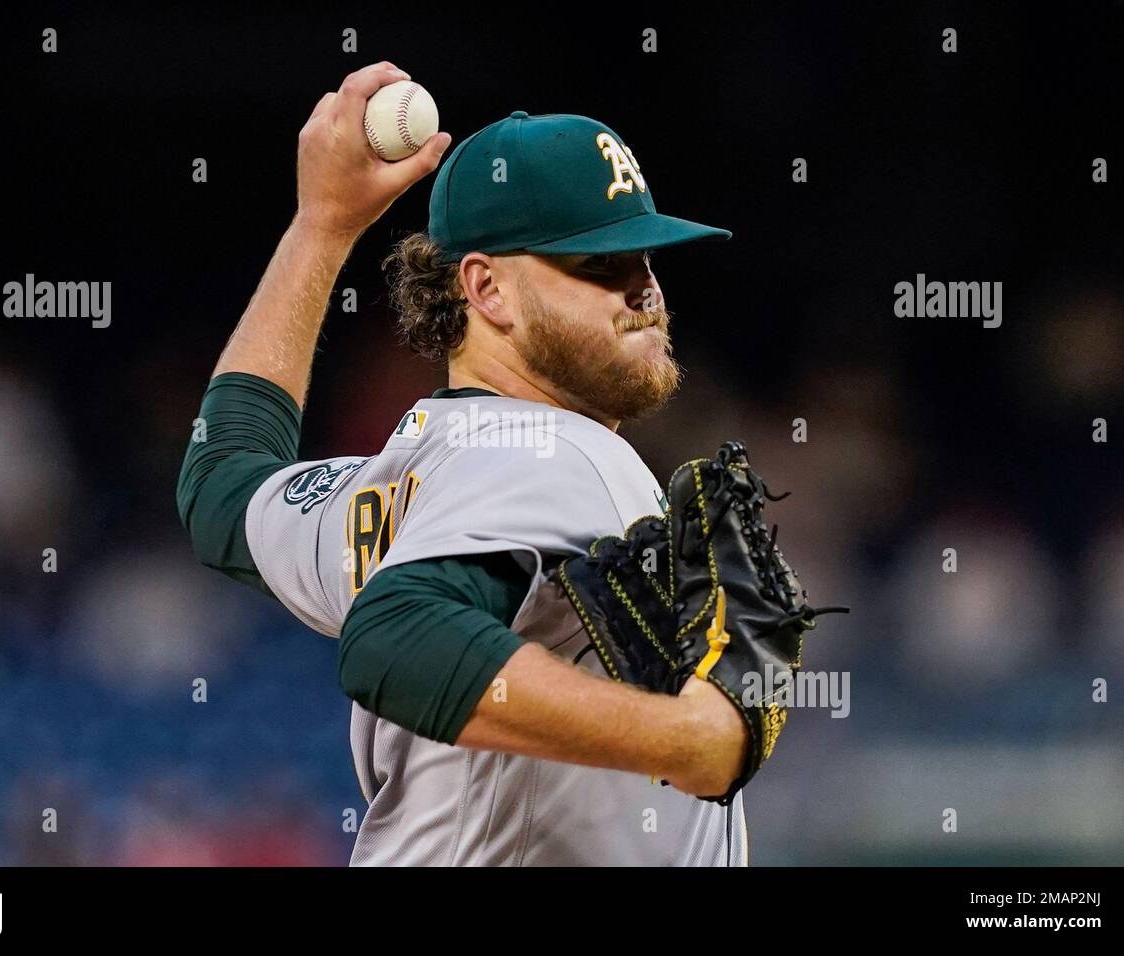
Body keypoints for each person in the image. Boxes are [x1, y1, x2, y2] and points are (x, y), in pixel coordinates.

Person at [178, 62, 750, 865]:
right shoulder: (557, 453)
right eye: (599, 266)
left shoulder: (398, 479)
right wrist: (686, 739)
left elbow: (220, 481)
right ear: (487, 289)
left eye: (647, 259)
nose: (644, 291)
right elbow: (394, 639)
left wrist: (320, 228)